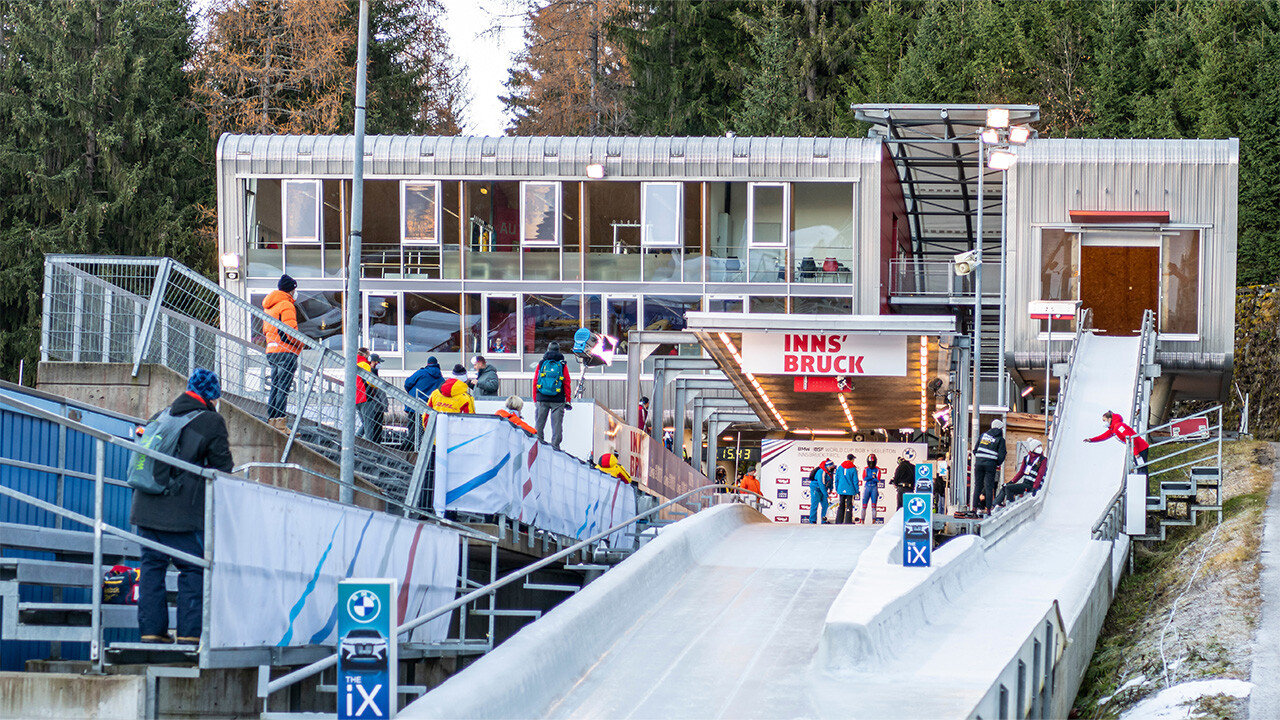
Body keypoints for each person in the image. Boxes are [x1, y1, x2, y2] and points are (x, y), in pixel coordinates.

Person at [132, 369, 233, 644]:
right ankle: (189, 636)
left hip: (145, 506)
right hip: (181, 512)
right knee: (192, 568)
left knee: (152, 567)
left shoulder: (161, 415)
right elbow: (223, 468)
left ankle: (151, 632)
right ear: (212, 396)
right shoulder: (211, 421)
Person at [263, 274, 302, 431]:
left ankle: (272, 420)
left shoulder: (269, 306)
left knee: (275, 386)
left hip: (272, 350)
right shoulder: (286, 305)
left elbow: (266, 330)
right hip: (286, 351)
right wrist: (301, 344)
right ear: (291, 290)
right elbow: (290, 332)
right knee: (283, 389)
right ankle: (280, 423)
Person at [533, 342, 571, 450]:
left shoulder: (542, 363)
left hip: (542, 397)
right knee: (557, 425)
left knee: (539, 423)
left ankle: (538, 444)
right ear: (559, 350)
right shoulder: (562, 364)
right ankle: (555, 447)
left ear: (548, 349)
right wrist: (568, 399)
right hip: (558, 399)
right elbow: (567, 382)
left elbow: (535, 380)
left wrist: (535, 398)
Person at [1085, 410, 1150, 472]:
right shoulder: (1113, 429)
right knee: (1140, 469)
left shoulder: (1119, 426)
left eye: (1104, 420)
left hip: (1140, 448)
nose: (1104, 423)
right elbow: (1103, 436)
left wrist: (1136, 453)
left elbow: (1131, 438)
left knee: (1142, 469)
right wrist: (1091, 440)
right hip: (1137, 449)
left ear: (1109, 419)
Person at [994, 439, 1048, 508]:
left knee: (1009, 488)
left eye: (1040, 446)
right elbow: (1021, 472)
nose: (1040, 448)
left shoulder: (1042, 460)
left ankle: (1010, 506)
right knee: (1006, 486)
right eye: (1038, 446)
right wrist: (1011, 482)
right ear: (1033, 448)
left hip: (1032, 486)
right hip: (1026, 483)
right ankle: (996, 504)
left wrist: (1035, 488)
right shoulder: (1027, 458)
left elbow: (1040, 475)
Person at [404, 356, 444, 445]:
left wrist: (410, 393)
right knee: (425, 428)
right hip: (428, 408)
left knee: (413, 427)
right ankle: (422, 446)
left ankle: (411, 445)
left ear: (428, 364)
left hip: (414, 404)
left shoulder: (421, 372)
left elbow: (408, 383)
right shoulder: (440, 378)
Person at [973, 419, 1008, 516]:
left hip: (979, 463)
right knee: (989, 487)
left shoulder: (983, 436)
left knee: (977, 486)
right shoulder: (1000, 439)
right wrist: (996, 463)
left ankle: (974, 508)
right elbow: (1002, 454)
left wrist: (980, 458)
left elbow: (975, 450)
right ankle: (988, 510)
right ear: (1000, 428)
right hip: (990, 465)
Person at [808, 459, 835, 525]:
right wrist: (826, 495)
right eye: (832, 466)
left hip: (823, 490)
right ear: (828, 466)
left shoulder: (830, 471)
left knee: (825, 505)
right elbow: (821, 484)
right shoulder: (821, 472)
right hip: (816, 489)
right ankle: (812, 520)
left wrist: (831, 488)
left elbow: (831, 480)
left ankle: (824, 520)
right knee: (814, 505)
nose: (833, 467)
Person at [834, 454, 859, 524]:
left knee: (841, 505)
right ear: (852, 460)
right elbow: (855, 481)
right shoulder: (853, 469)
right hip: (850, 490)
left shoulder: (840, 467)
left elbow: (836, 479)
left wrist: (837, 488)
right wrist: (857, 491)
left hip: (841, 489)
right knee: (849, 505)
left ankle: (838, 521)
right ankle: (848, 521)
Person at [859, 454, 883, 524]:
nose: (871, 464)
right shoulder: (866, 469)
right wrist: (872, 477)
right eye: (870, 462)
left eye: (872, 462)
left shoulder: (878, 469)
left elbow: (878, 479)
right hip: (867, 487)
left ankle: (873, 521)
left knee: (874, 506)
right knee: (864, 505)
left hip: (874, 488)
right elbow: (864, 478)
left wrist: (871, 478)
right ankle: (862, 521)